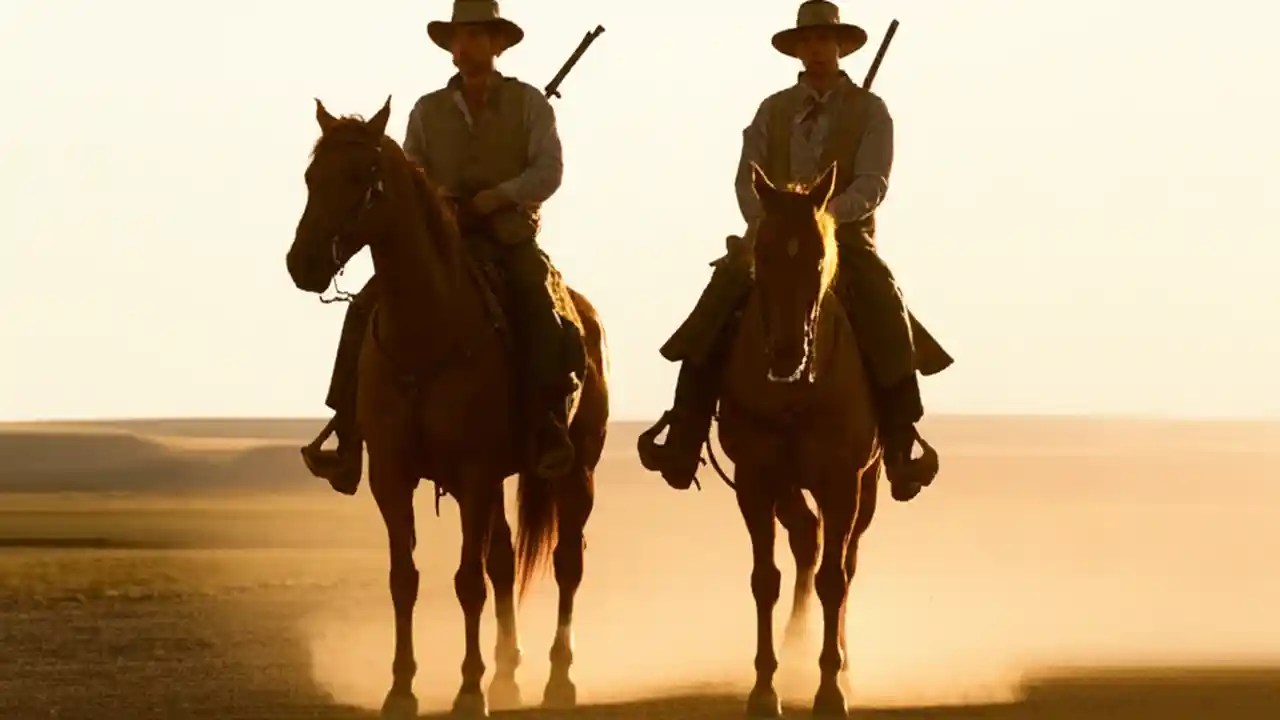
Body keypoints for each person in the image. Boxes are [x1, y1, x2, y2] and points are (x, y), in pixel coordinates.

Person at [639, 0, 954, 501]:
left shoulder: (871, 112)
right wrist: (772, 221)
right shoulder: (772, 110)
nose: (816, 49)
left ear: (839, 45)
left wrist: (822, 219)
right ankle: (685, 432)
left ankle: (900, 442)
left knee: (885, 307)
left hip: (844, 241)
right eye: (807, 42)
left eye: (824, 41)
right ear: (798, 50)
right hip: (771, 238)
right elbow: (748, 178)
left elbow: (874, 183)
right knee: (716, 305)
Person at [301, 0, 577, 495]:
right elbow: (410, 170)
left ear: (497, 44)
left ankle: (546, 424)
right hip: (442, 238)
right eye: (458, 36)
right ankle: (347, 431)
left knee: (538, 304)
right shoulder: (427, 110)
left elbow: (548, 170)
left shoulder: (530, 104)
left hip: (507, 235)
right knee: (363, 309)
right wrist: (440, 197)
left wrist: (500, 195)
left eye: (475, 35)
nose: (464, 44)